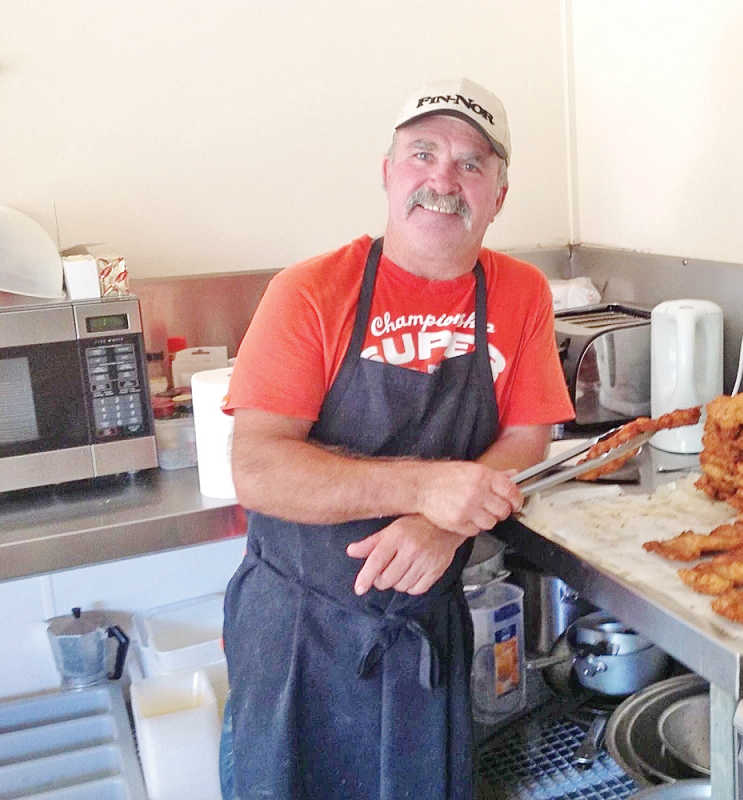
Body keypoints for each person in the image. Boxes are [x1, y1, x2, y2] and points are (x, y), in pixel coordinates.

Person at [219, 77, 575, 799]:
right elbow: (258, 468)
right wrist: (426, 487)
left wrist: (439, 525)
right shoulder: (311, 291)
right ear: (389, 174)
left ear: (497, 196)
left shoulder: (521, 292)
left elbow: (526, 438)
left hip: (424, 628)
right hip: (298, 634)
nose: (444, 179)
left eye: (472, 164)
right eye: (423, 153)